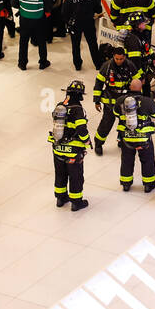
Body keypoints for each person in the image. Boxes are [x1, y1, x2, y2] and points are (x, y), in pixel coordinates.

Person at [50, 80, 91, 211]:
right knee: (76, 176)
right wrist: (87, 141)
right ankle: (76, 202)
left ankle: (60, 198)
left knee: (60, 174)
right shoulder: (78, 110)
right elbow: (81, 129)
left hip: (57, 148)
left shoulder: (60, 106)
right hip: (72, 150)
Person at [92, 46, 141, 154]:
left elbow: (138, 82)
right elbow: (98, 84)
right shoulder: (106, 66)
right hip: (110, 102)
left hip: (126, 102)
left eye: (121, 59)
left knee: (126, 123)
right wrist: (96, 100)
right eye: (117, 59)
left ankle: (122, 140)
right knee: (106, 124)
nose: (119, 61)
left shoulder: (130, 66)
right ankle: (98, 143)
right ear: (113, 57)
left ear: (124, 57)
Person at [116, 78, 155, 193]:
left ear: (130, 87)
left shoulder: (120, 100)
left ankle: (126, 184)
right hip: (143, 138)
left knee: (126, 160)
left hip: (126, 137)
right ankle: (148, 184)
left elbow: (115, 113)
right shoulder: (147, 101)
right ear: (141, 88)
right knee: (147, 160)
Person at [61, 0, 100, 72]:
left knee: (76, 45)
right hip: (89, 22)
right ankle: (98, 64)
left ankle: (77, 65)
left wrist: (68, 22)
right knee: (92, 44)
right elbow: (98, 8)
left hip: (75, 24)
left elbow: (64, 13)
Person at [16, 0, 50, 71]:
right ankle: (43, 63)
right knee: (41, 41)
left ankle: (22, 64)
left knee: (23, 42)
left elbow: (13, 3)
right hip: (38, 20)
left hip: (24, 19)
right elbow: (48, 7)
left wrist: (24, 7)